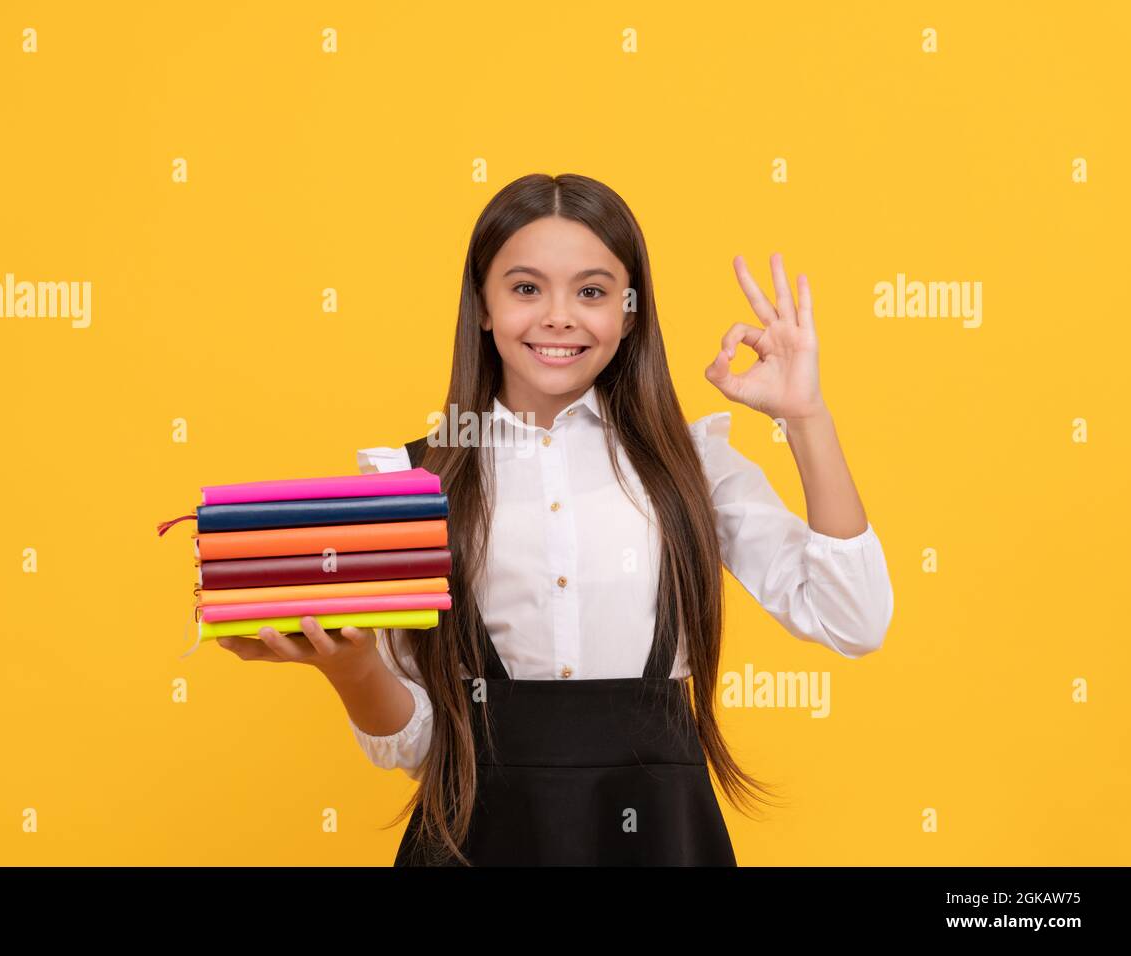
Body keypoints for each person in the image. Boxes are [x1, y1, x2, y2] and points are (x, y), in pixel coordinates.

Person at [218, 172, 895, 866]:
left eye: (593, 291)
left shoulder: (694, 466)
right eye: (525, 288)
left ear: (630, 313)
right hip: (477, 840)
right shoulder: (411, 483)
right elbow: (421, 748)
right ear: (482, 305)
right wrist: (353, 669)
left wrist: (805, 418)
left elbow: (854, 618)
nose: (559, 316)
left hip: (661, 840)